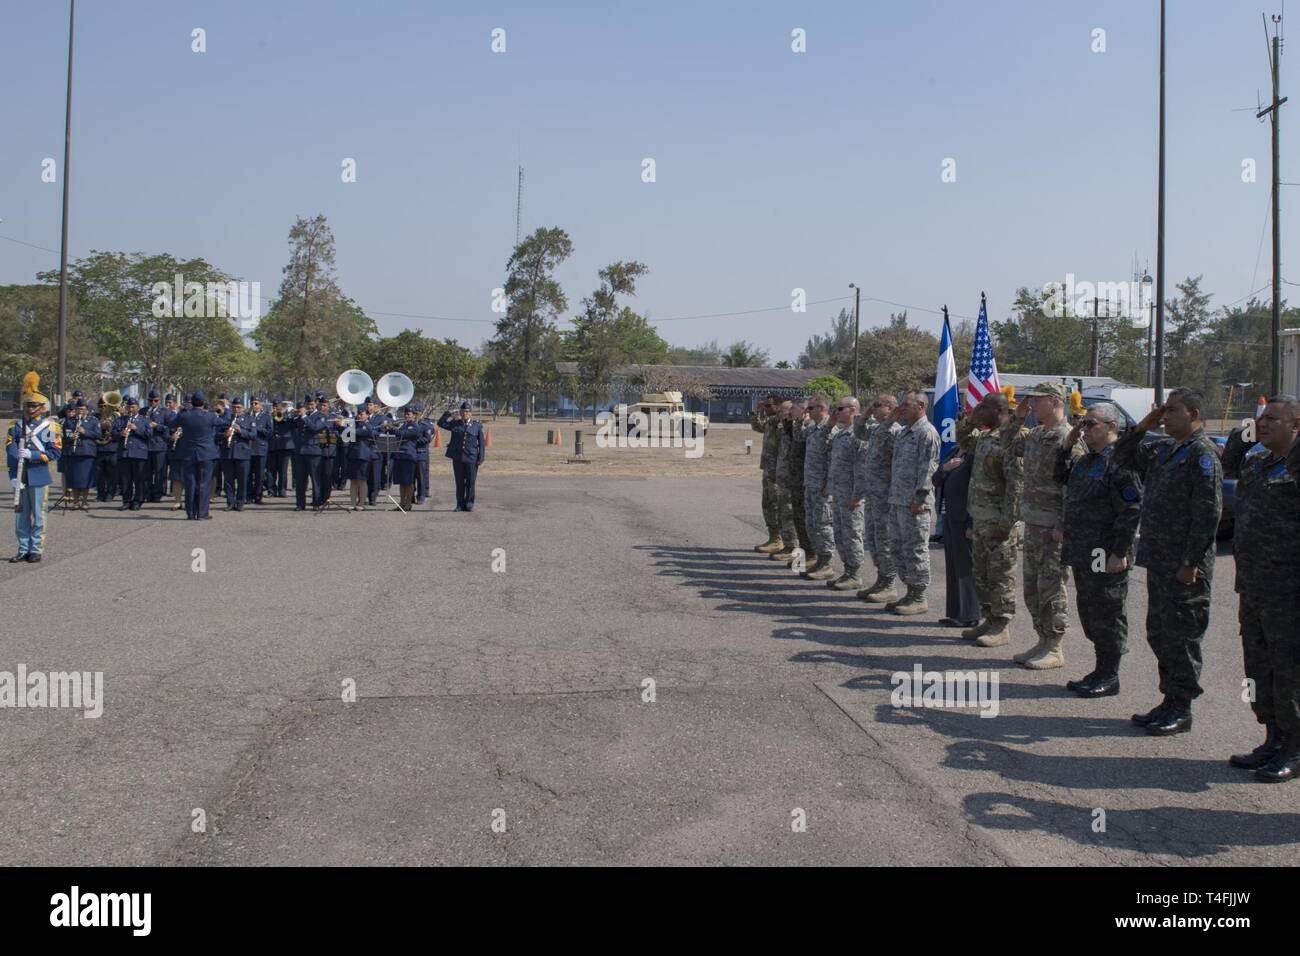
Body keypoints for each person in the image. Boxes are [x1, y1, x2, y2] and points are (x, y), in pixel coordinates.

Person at [1114, 388, 1223, 736]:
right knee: (1160, 632)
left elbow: (1208, 514)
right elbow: (1123, 455)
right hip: (1160, 561)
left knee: (1183, 635)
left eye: (1172, 410)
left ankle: (1182, 707)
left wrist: (1191, 562)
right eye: (1163, 410)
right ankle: (1168, 700)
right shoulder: (1165, 449)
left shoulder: (1202, 454)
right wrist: (1145, 423)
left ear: (1193, 414)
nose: (1165, 416)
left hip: (1184, 565)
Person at [1224, 395, 1300, 780]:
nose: (1264, 423)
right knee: (1257, 667)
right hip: (1252, 585)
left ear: (1296, 426)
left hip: (1288, 589)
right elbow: (1228, 463)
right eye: (1261, 418)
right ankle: (1271, 736)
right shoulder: (1257, 461)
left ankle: (1295, 745)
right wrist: (1243, 432)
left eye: (1273, 419)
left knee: (1289, 670)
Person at [1055, 401, 1142, 697]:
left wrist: (1120, 552)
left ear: (1112, 427)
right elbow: (1060, 477)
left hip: (1105, 553)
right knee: (1091, 612)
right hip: (1084, 551)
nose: (1085, 430)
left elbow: (1131, 510)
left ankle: (1110, 674)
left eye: (1091, 424)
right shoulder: (1088, 459)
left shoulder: (1120, 462)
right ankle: (1100, 669)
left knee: (1108, 611)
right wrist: (1067, 446)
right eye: (1083, 424)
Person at [1004, 382, 1083, 667]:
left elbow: (1073, 488)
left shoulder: (1069, 438)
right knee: (1033, 590)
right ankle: (1042, 640)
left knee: (1052, 590)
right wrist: (1017, 416)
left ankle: (1055, 647)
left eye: (1037, 401)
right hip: (1034, 523)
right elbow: (1006, 443)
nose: (1032, 405)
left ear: (1054, 401)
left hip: (1053, 528)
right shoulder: (1036, 434)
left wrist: (1062, 525)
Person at [963, 392, 1025, 646]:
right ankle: (988, 619)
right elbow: (963, 439)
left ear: (999, 411)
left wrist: (1007, 522)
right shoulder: (986, 436)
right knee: (982, 575)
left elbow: (1016, 484)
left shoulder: (1012, 439)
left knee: (1001, 576)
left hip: (1000, 521)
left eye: (983, 407)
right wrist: (971, 419)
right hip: (980, 518)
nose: (978, 410)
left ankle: (1001, 626)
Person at [883, 390, 940, 614]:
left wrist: (920, 498)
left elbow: (928, 469)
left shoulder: (927, 432)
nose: (902, 408)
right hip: (898, 499)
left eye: (907, 405)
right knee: (898, 548)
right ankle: (909, 591)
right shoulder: (904, 431)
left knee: (915, 549)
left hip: (915, 503)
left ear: (921, 406)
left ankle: (919, 596)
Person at [7, 372, 61, 562]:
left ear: (42, 408)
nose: (30, 409)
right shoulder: (16, 425)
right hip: (20, 476)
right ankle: (23, 548)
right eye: (28, 405)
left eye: (34, 406)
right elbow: (10, 450)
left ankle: (36, 549)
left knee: (38, 515)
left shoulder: (50, 428)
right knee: (20, 516)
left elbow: (54, 452)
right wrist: (13, 476)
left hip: (38, 475)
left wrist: (34, 455)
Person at [853, 394, 902, 602]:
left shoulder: (895, 432)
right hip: (873, 494)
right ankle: (881, 579)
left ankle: (889, 584)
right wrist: (866, 413)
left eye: (878, 405)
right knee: (873, 540)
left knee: (885, 540)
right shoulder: (875, 429)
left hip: (886, 496)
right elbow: (859, 431)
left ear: (890, 409)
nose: (873, 408)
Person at [933, 418, 978, 627]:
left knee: (965, 567)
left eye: (964, 428)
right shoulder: (954, 452)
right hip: (949, 516)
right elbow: (936, 479)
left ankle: (969, 614)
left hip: (964, 518)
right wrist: (946, 468)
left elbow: (977, 492)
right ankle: (955, 612)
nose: (959, 432)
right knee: (952, 565)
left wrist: (972, 523)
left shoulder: (974, 455)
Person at [826, 396, 864, 590]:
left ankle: (855, 574)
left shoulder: (858, 435)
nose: (836, 412)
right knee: (840, 534)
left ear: (853, 410)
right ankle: (848, 571)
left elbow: (860, 467)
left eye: (840, 409)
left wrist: (857, 496)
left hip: (851, 495)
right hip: (839, 493)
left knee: (852, 535)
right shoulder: (841, 434)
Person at [166, 391, 222, 520]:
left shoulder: (184, 416)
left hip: (188, 453)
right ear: (203, 403)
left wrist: (177, 411)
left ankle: (190, 513)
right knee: (204, 484)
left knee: (190, 483)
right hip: (206, 454)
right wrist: (222, 410)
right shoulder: (210, 416)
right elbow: (225, 422)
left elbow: (170, 423)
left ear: (191, 403)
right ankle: (202, 513)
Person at [799, 393, 837, 580]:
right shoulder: (814, 429)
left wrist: (829, 485)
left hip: (822, 487)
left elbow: (833, 461)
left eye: (811, 408)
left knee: (823, 526)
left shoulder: (831, 430)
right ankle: (820, 559)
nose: (807, 411)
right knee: (812, 524)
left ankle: (827, 563)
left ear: (822, 409)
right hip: (811, 484)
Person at [438, 401, 486, 511]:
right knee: (459, 482)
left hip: (471, 458)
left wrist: (481, 457)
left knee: (470, 482)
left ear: (471, 413)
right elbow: (441, 423)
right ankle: (459, 504)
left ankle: (469, 504)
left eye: (467, 412)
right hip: (458, 458)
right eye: (463, 412)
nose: (465, 414)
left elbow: (482, 443)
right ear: (460, 412)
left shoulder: (476, 425)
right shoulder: (455, 424)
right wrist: (448, 413)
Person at [750, 395, 784, 552]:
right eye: (765, 406)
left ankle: (782, 540)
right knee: (768, 504)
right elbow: (757, 427)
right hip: (768, 469)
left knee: (777, 505)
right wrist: (756, 412)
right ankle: (773, 537)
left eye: (769, 406)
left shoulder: (783, 423)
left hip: (779, 470)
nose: (766, 408)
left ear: (778, 407)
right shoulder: (770, 422)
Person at [769, 401, 800, 562]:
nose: (779, 414)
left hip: (790, 480)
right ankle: (787, 545)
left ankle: (793, 547)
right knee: (782, 514)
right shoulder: (783, 429)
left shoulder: (795, 430)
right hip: (781, 478)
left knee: (789, 514)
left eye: (783, 411)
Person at [114, 397, 150, 511]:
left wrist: (136, 428)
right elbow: (113, 433)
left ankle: (138, 501)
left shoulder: (144, 420)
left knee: (139, 479)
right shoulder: (121, 420)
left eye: (133, 407)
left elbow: (149, 434)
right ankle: (126, 501)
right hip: (124, 453)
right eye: (129, 407)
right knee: (125, 479)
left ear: (137, 408)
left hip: (139, 453)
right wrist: (121, 433)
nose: (130, 409)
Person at [219, 397, 254, 511]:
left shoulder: (249, 419)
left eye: (238, 407)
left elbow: (253, 435)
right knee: (228, 480)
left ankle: (240, 502)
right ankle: (230, 502)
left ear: (243, 408)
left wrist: (241, 431)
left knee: (242, 480)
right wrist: (225, 434)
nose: (236, 409)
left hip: (242, 454)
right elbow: (216, 433)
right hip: (228, 453)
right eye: (234, 407)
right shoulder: (225, 419)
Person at [64, 399, 99, 510]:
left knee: (85, 478)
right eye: (78, 409)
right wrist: (70, 437)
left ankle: (84, 501)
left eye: (82, 409)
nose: (80, 411)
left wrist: (85, 432)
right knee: (75, 478)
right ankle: (75, 501)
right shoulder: (70, 420)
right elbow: (65, 433)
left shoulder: (93, 420)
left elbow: (98, 434)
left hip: (87, 452)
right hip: (74, 452)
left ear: (87, 410)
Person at [294, 394, 325, 512]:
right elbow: (291, 426)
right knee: (300, 479)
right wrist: (296, 416)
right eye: (308, 404)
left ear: (315, 404)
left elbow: (315, 428)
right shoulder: (301, 416)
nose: (310, 406)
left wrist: (304, 417)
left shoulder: (320, 416)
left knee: (315, 479)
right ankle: (300, 504)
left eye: (312, 404)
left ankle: (316, 503)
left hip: (313, 451)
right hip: (301, 451)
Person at [345, 404, 376, 510]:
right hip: (353, 455)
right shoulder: (355, 424)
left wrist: (345, 426)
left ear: (367, 415)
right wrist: (342, 425)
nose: (359, 416)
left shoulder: (368, 426)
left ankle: (361, 503)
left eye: (361, 414)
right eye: (358, 414)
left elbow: (361, 432)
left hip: (363, 456)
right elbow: (345, 436)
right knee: (353, 480)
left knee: (362, 480)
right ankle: (353, 503)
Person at [392, 408, 421, 510]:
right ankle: (402, 503)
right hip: (400, 455)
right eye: (406, 414)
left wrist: (391, 429)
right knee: (401, 481)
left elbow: (403, 434)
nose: (407, 416)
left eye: (409, 414)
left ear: (413, 415)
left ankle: (408, 503)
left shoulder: (414, 426)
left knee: (408, 482)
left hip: (408, 456)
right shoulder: (403, 425)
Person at [144, 388, 169, 501]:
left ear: (159, 401)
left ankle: (157, 493)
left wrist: (157, 426)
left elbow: (168, 428)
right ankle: (147, 493)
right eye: (151, 400)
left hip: (159, 446)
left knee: (160, 472)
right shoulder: (143, 411)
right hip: (146, 445)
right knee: (147, 472)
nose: (153, 403)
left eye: (155, 400)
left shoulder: (164, 412)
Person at [94, 395, 119, 502]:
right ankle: (100, 494)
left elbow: (119, 430)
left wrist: (110, 427)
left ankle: (110, 493)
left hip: (112, 448)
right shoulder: (94, 417)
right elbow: (92, 430)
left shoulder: (115, 416)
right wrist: (100, 426)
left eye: (105, 406)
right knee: (99, 474)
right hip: (99, 448)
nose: (103, 408)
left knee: (111, 474)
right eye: (100, 406)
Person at [247, 396, 271, 504]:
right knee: (247, 474)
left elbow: (269, 432)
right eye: (252, 403)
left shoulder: (266, 416)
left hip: (260, 448)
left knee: (259, 474)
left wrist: (258, 428)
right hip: (248, 448)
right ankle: (248, 495)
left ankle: (258, 495)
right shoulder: (247, 416)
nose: (253, 405)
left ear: (260, 405)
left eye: (256, 403)